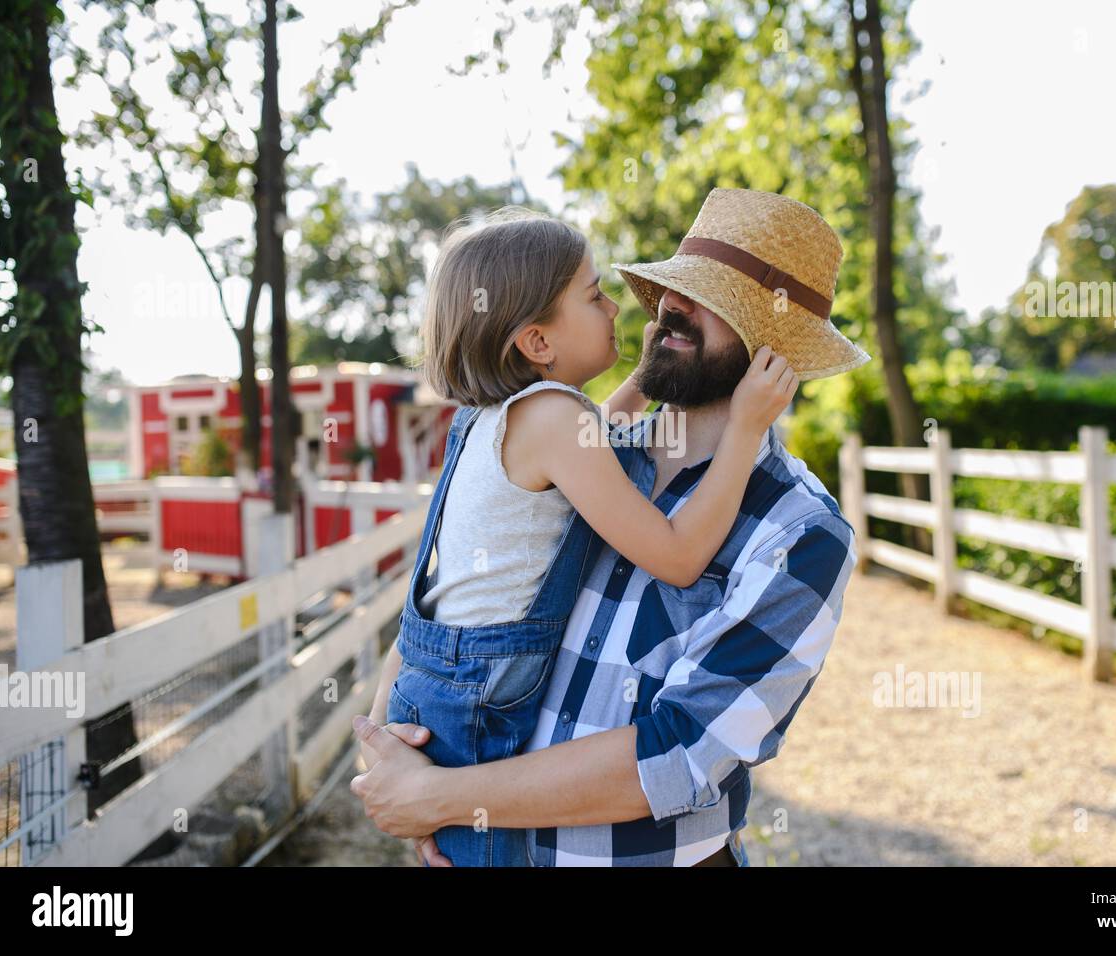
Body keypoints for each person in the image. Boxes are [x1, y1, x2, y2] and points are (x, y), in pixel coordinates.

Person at [352, 187, 872, 867]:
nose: (666, 307)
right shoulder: (584, 456)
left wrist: (441, 798)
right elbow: (450, 596)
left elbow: (679, 753)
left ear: (775, 351)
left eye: (709, 297)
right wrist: (397, 756)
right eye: (672, 289)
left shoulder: (800, 534)